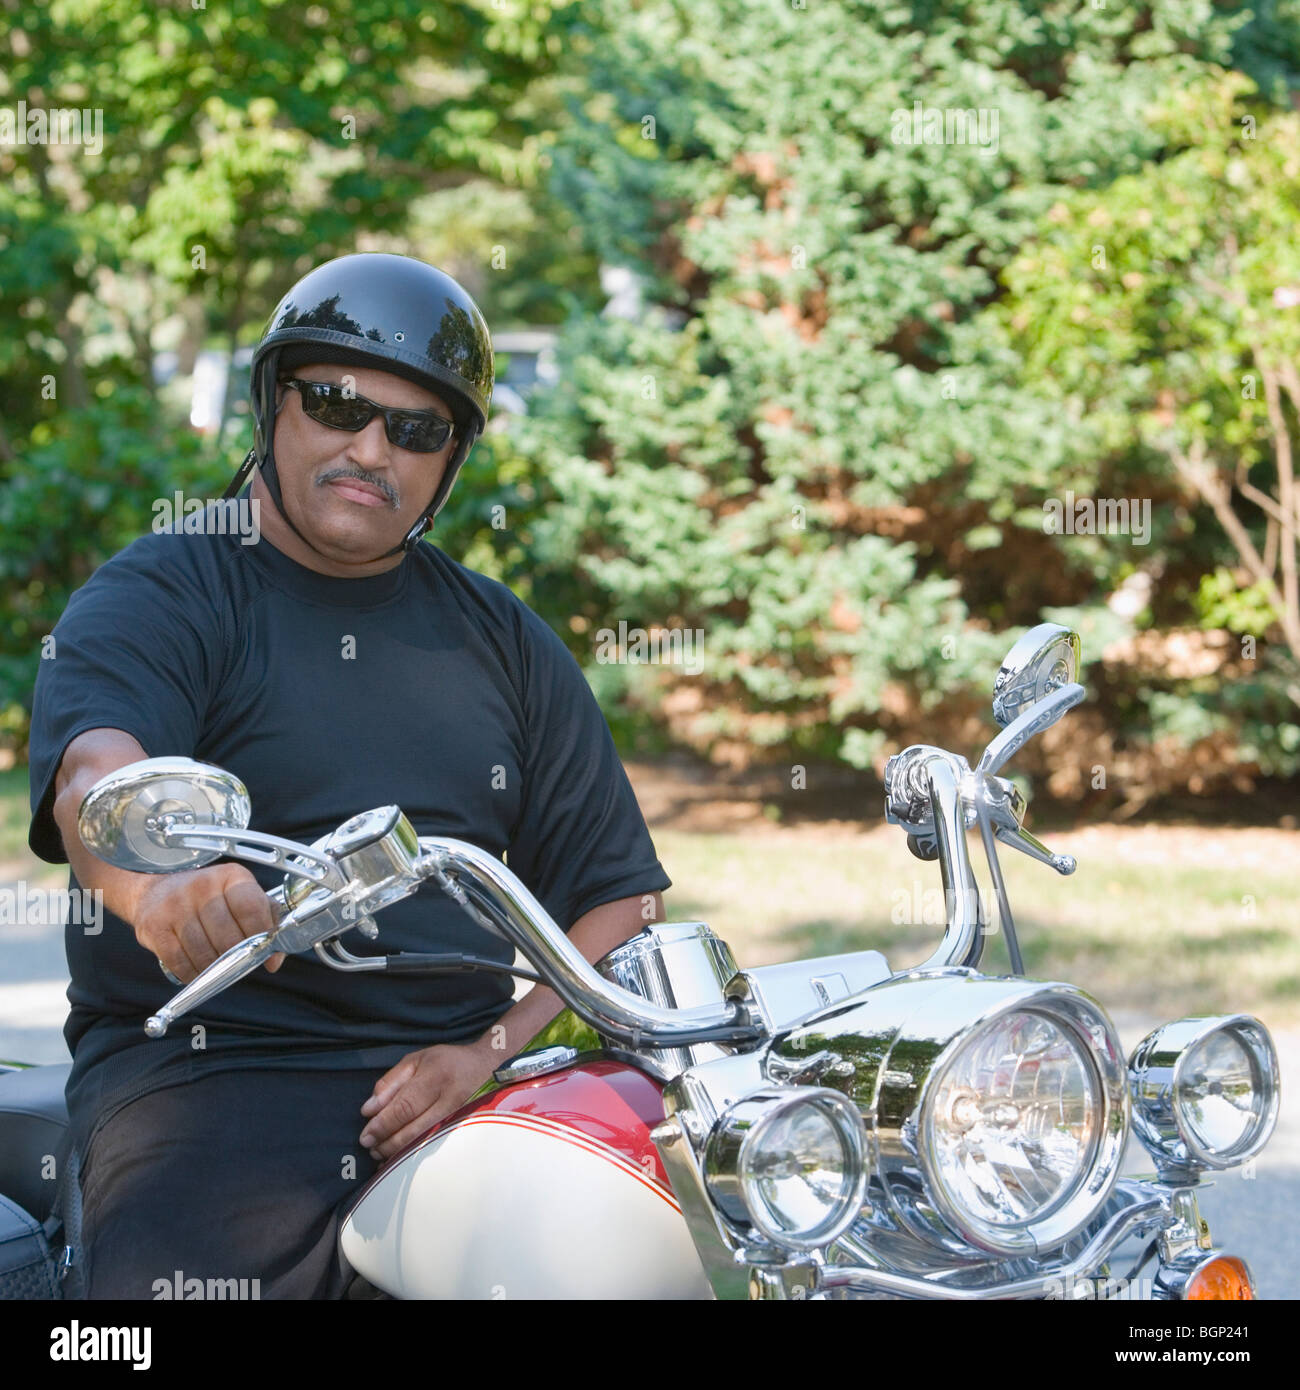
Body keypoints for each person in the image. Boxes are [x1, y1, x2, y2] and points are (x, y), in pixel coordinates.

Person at [26, 252, 671, 1299]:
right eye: (335, 404)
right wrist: (159, 890)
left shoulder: (504, 641)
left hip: (454, 1083)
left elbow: (614, 901)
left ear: (449, 458)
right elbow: (97, 778)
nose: (370, 447)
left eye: (416, 429)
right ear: (272, 405)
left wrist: (490, 1052)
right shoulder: (166, 590)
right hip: (216, 1073)